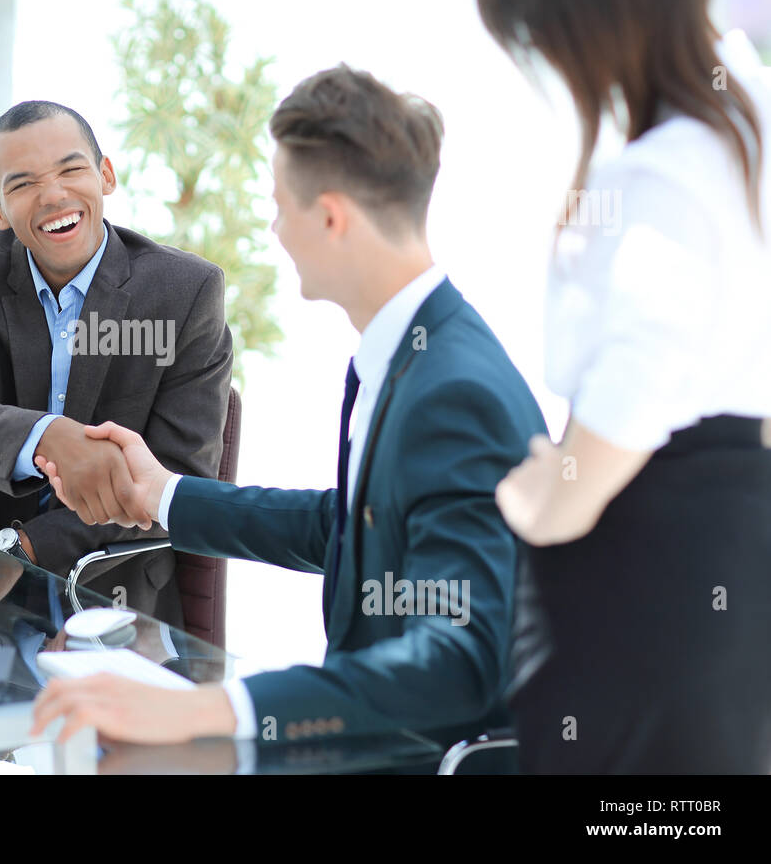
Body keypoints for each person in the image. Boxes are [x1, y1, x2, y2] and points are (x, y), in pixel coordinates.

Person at [30, 66, 546, 750]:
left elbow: (456, 661)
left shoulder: (454, 393)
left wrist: (212, 709)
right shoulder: (408, 354)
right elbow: (351, 525)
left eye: (280, 207)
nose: (273, 229)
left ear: (331, 217)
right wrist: (164, 494)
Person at [478, 0, 771, 773]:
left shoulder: (658, 176)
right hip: (724, 564)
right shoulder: (739, 147)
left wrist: (533, 499)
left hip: (642, 586)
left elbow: (637, 389)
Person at [0, 101, 233, 636]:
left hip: (116, 601)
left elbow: (180, 477)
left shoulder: (185, 293)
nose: (54, 195)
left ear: (105, 175)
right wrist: (46, 437)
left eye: (71, 169)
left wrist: (27, 547)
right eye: (24, 184)